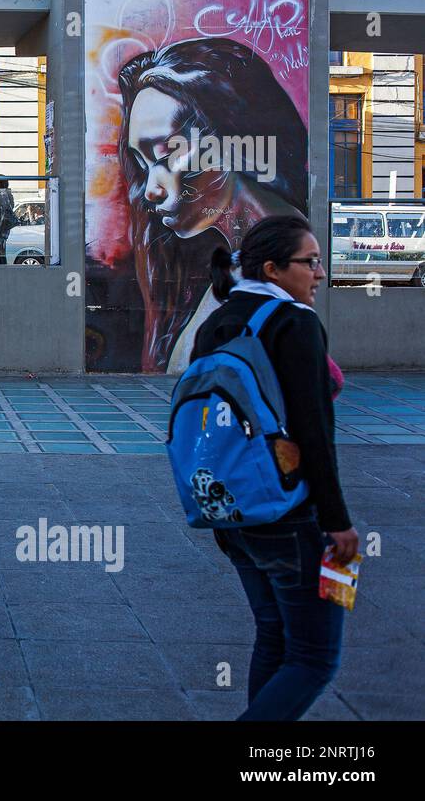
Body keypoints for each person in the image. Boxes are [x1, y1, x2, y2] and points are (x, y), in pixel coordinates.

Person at [194, 214, 357, 721]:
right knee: (313, 658)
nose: (320, 274)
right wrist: (337, 521)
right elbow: (314, 430)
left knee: (274, 633)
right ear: (273, 269)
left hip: (229, 508)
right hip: (288, 512)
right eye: (310, 263)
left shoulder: (216, 323)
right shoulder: (295, 323)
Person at [117, 38, 308, 374]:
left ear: (231, 138)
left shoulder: (274, 261)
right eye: (143, 163)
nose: (151, 190)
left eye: (166, 153)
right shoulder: (245, 258)